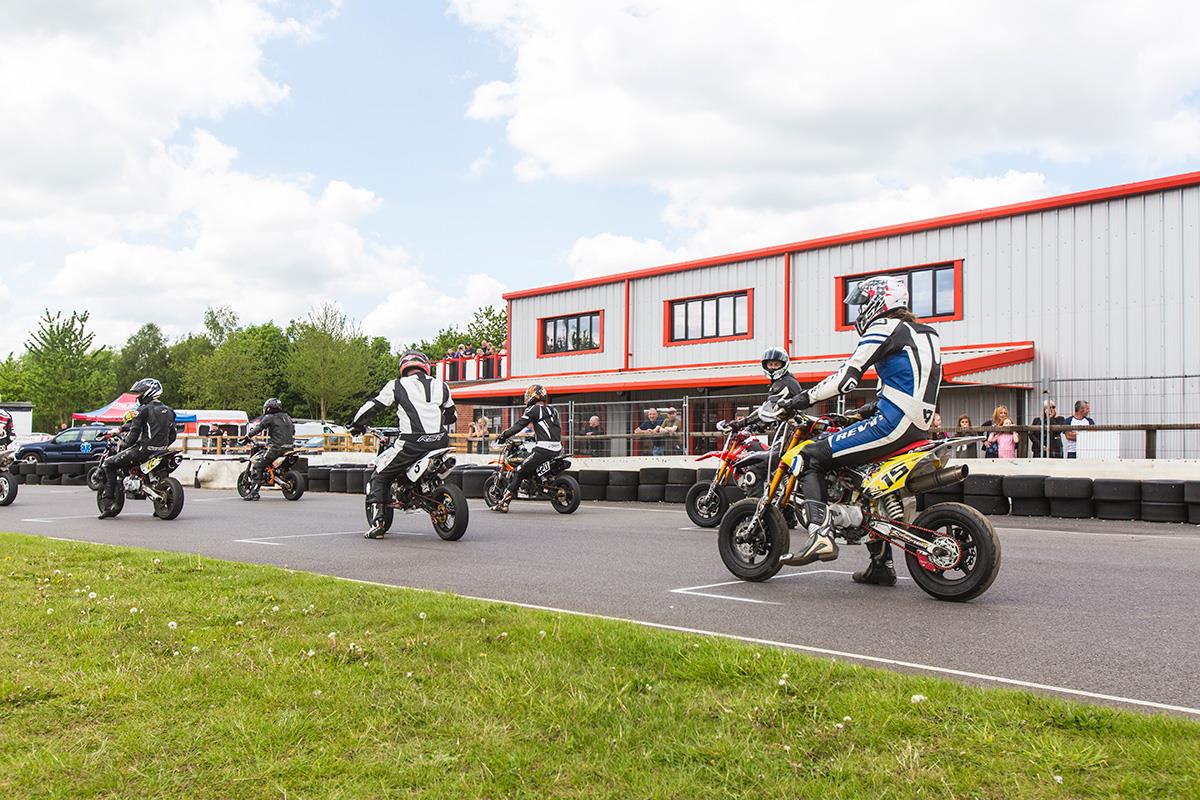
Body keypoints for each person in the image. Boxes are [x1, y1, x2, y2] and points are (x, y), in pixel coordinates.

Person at [765, 275, 941, 585]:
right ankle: (881, 566)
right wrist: (858, 413)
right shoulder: (926, 333)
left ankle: (819, 534)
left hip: (893, 423)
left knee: (811, 455)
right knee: (864, 485)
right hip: (917, 427)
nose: (859, 312)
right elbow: (904, 386)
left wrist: (798, 401)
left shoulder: (885, 327)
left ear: (879, 302)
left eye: (862, 304)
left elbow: (846, 376)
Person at [350, 351, 456, 539]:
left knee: (379, 476)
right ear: (425, 365)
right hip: (440, 441)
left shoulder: (396, 385)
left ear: (404, 367)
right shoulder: (442, 385)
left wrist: (356, 424)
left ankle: (379, 523)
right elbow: (451, 416)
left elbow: (374, 405)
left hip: (411, 443)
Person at [98, 378, 177, 520]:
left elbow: (133, 436)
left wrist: (123, 445)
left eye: (140, 393)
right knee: (161, 473)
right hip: (162, 450)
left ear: (148, 392)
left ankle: (109, 503)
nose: (138, 396)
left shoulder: (142, 410)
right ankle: (160, 505)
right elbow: (173, 435)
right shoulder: (169, 411)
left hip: (143, 450)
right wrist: (161, 445)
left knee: (109, 464)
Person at [492, 384, 562, 513]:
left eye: (528, 396)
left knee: (519, 471)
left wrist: (503, 436)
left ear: (532, 396)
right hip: (558, 449)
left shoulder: (533, 410)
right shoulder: (553, 410)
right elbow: (552, 429)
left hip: (543, 449)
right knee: (531, 461)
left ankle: (504, 503)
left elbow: (518, 426)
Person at [241, 398, 295, 501]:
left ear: (269, 408)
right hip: (290, 448)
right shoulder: (287, 417)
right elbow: (293, 431)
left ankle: (254, 493)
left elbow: (259, 427)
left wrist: (248, 436)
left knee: (258, 466)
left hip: (276, 448)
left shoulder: (269, 417)